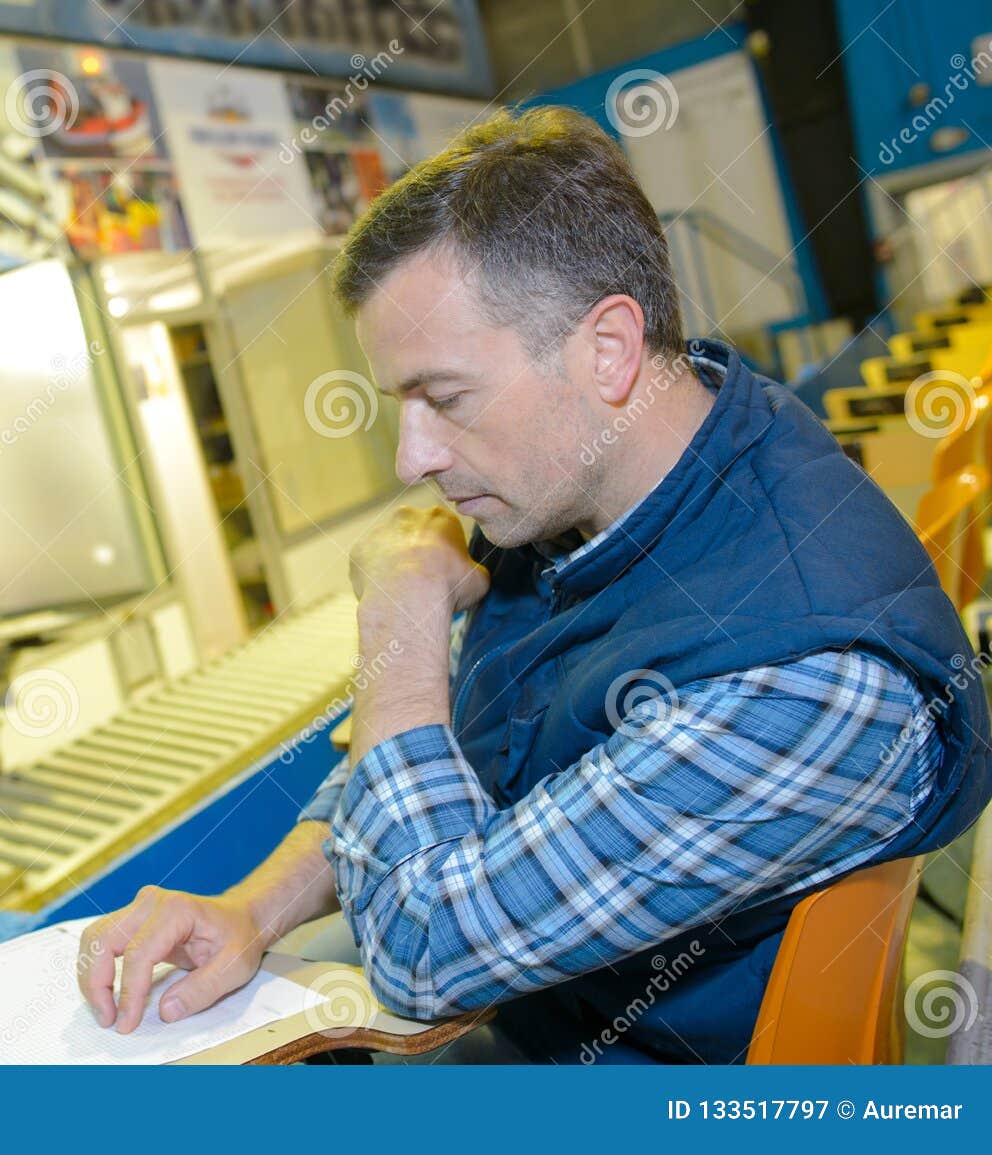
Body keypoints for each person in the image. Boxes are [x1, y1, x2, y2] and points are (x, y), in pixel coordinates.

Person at [74, 106, 992, 1063]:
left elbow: (426, 953)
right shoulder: (601, 483)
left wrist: (401, 622)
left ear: (607, 349)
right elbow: (423, 768)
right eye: (401, 404)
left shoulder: (801, 678)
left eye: (447, 398)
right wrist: (250, 907)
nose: (411, 459)